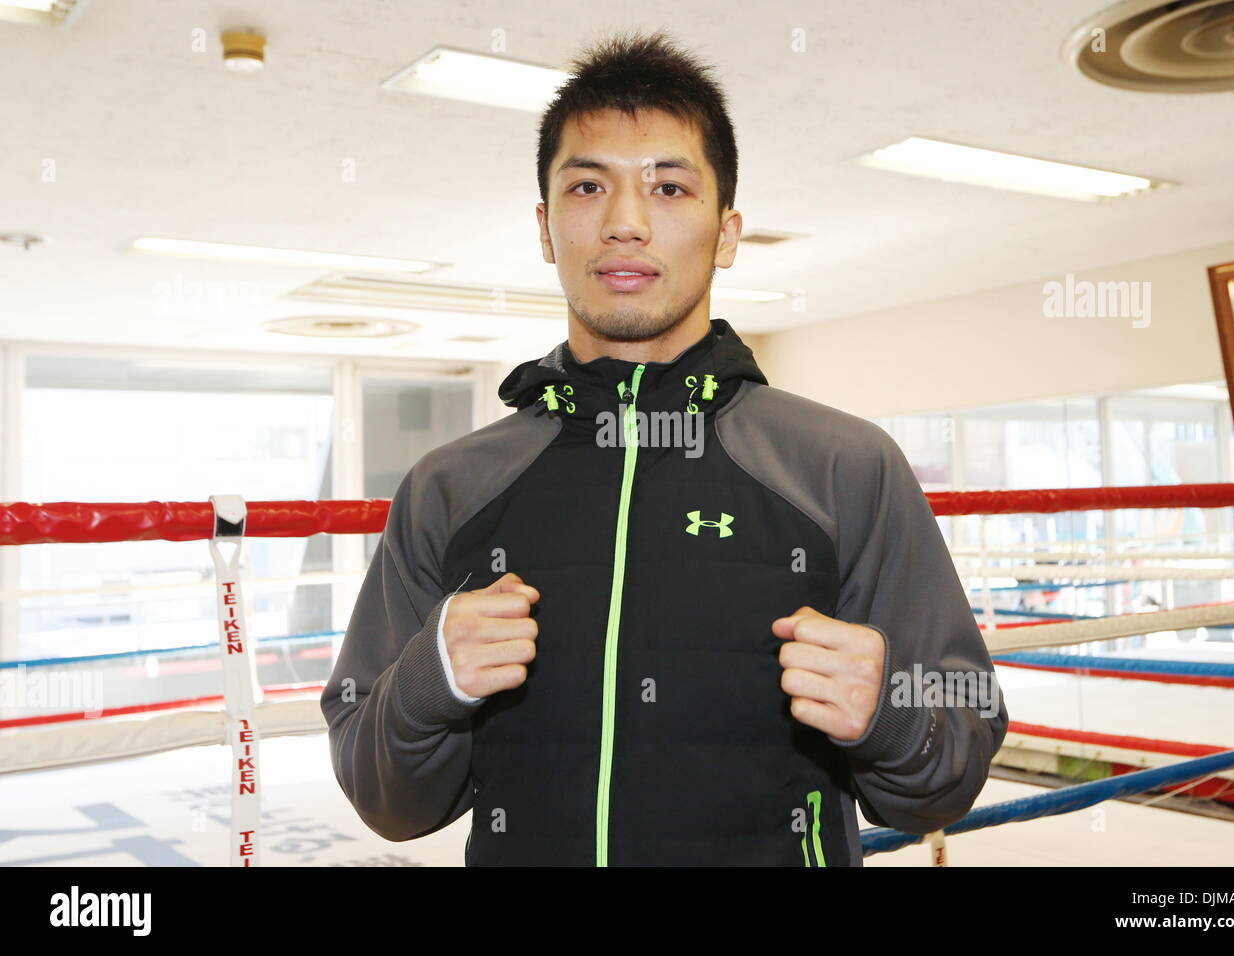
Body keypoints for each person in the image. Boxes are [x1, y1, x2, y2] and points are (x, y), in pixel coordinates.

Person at [321, 29, 1008, 867]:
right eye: (586, 185)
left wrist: (892, 714)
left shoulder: (843, 466)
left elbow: (947, 780)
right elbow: (386, 802)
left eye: (670, 186)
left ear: (726, 232)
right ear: (545, 226)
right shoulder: (450, 487)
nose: (624, 223)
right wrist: (429, 681)